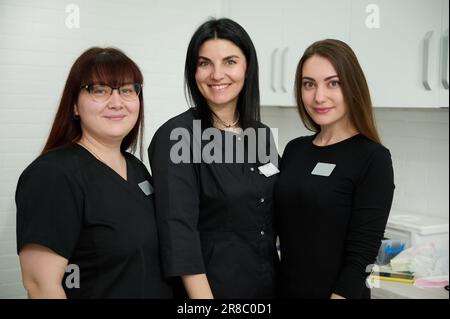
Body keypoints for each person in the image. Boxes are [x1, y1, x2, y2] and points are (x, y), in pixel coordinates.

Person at [16, 47, 173, 298]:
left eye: (127, 90)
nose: (117, 102)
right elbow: (41, 285)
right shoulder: (53, 175)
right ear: (75, 106)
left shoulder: (137, 169)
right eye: (99, 90)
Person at [148, 18, 280, 299]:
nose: (216, 74)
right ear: (193, 71)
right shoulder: (178, 135)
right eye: (204, 63)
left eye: (230, 61)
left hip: (265, 285)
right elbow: (178, 232)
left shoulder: (261, 134)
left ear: (247, 68)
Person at [275, 39, 395, 299]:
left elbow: (361, 257)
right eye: (309, 84)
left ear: (352, 86)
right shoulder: (295, 150)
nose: (319, 96)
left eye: (333, 83)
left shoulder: (373, 158)